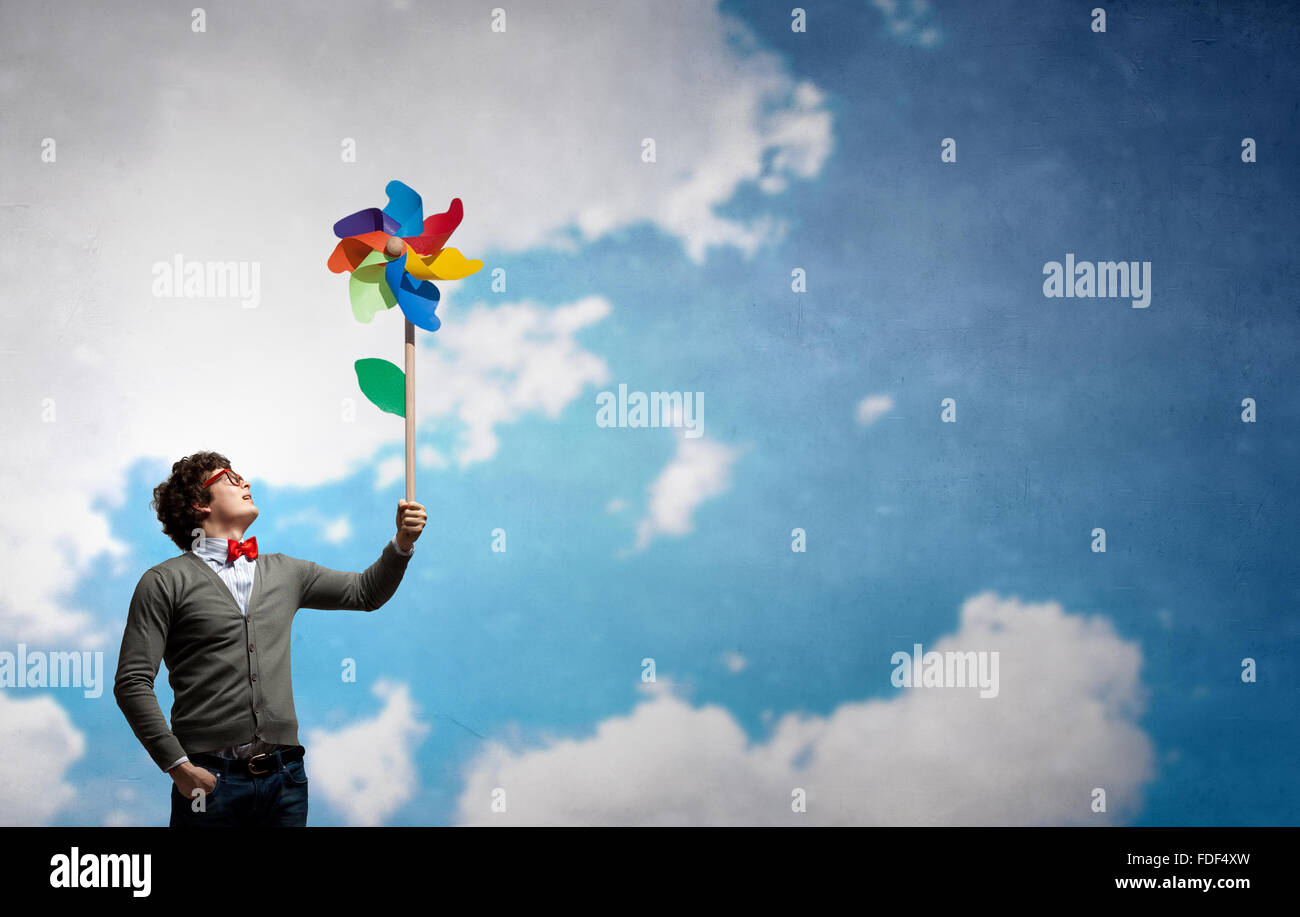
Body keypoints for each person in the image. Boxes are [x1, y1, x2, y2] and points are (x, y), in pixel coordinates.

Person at [113, 450, 426, 827]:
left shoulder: (285, 571)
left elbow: (365, 593)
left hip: (286, 779)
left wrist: (402, 543)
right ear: (199, 503)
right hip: (208, 783)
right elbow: (132, 682)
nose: (245, 482)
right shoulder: (163, 582)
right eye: (230, 478)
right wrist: (177, 766)